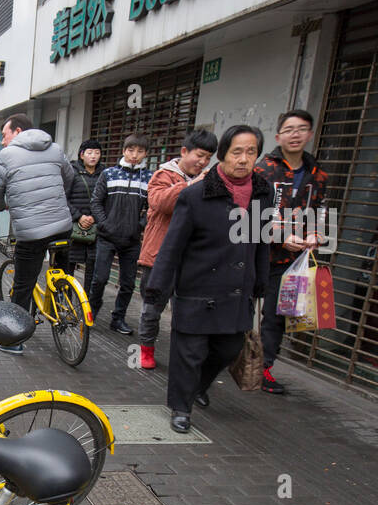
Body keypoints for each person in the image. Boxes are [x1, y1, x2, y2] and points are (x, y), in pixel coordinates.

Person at [146, 125, 272, 434]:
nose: (243, 159)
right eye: (236, 152)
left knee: (229, 348)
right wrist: (157, 286)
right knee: (188, 352)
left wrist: (261, 279)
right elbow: (173, 244)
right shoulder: (196, 194)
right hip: (198, 285)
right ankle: (180, 406)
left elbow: (261, 238)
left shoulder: (262, 192)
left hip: (238, 287)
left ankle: (198, 387)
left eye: (251, 152)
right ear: (224, 154)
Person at [0, 113, 78, 354]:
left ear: (17, 132)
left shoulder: (6, 155)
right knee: (61, 270)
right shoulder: (55, 148)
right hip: (62, 225)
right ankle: (63, 303)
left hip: (30, 231)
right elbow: (69, 178)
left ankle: (13, 340)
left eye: (4, 135)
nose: (3, 141)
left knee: (24, 285)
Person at [255, 110, 329, 394]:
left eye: (301, 129)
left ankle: (263, 368)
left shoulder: (318, 175)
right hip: (256, 253)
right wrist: (279, 237)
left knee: (277, 315)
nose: (295, 134)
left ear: (310, 134)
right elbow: (244, 216)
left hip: (291, 261)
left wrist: (316, 235)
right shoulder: (263, 170)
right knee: (240, 309)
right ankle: (227, 356)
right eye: (289, 129)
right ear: (278, 136)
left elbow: (321, 213)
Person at [137, 129, 218, 369]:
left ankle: (183, 355)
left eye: (208, 158)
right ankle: (146, 350)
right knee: (152, 309)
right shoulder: (163, 175)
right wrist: (195, 184)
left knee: (187, 313)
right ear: (184, 151)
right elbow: (161, 202)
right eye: (199, 155)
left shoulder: (206, 180)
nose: (203, 162)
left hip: (192, 259)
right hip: (159, 258)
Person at [89, 134, 152, 335]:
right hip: (107, 236)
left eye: (140, 151)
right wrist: (105, 224)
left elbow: (153, 209)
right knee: (100, 279)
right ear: (124, 151)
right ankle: (90, 313)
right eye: (131, 150)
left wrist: (140, 226)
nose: (135, 155)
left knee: (127, 283)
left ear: (146, 154)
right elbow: (96, 202)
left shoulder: (149, 178)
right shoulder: (109, 174)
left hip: (132, 240)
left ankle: (118, 318)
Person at [65, 139, 104, 294]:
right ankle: (65, 304)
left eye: (97, 153)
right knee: (69, 268)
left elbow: (106, 200)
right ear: (82, 155)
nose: (93, 156)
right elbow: (63, 198)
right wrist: (79, 216)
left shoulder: (104, 174)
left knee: (92, 270)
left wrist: (95, 216)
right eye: (89, 152)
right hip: (74, 228)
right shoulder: (71, 172)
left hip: (95, 228)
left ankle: (87, 306)